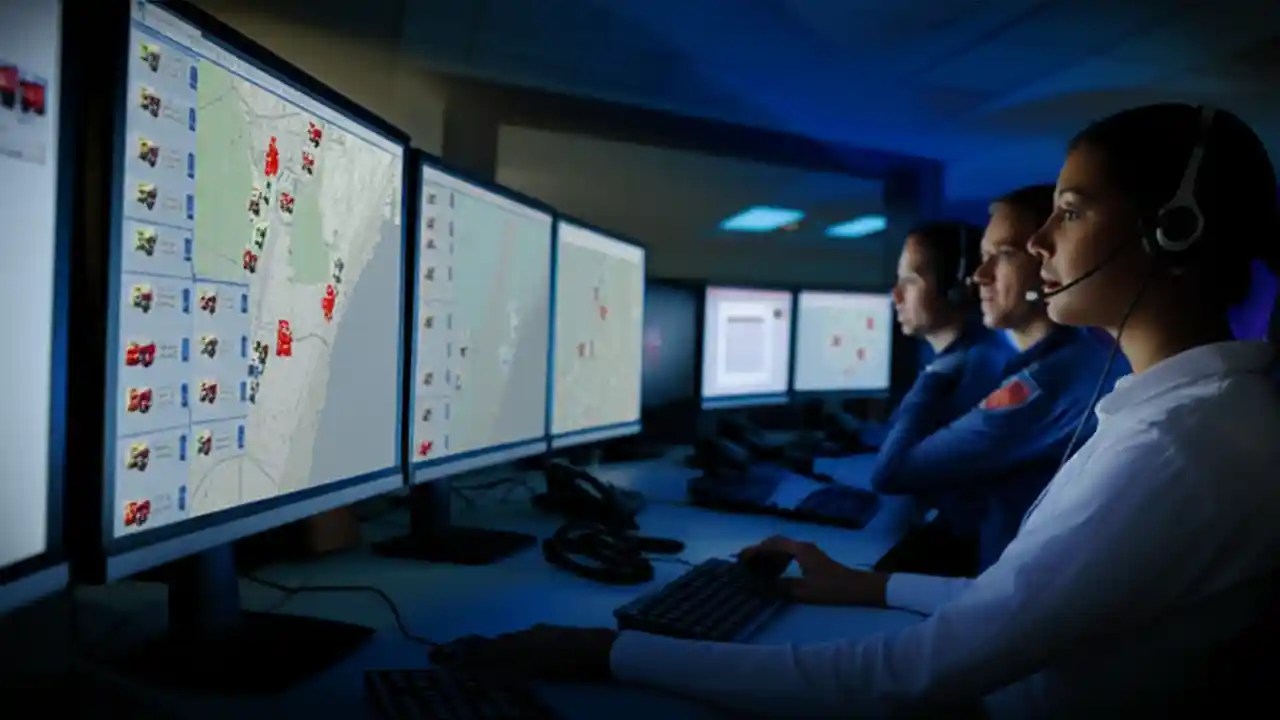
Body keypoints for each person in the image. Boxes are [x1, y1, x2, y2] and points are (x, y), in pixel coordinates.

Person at [429, 102, 1280, 716]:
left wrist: (608, 649)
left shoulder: (1182, 452)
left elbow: (907, 678)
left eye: (1069, 211)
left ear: (1172, 230)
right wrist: (868, 584)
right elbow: (1021, 607)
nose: (1035, 246)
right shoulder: (1183, 418)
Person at [870, 184, 1131, 574]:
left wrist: (936, 372)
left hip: (1008, 599)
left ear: (1048, 261)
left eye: (1003, 255)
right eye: (982, 258)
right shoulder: (1060, 360)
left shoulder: (1044, 382)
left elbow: (892, 471)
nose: (979, 276)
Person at [845, 220, 1015, 452]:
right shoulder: (971, 357)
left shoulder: (968, 372)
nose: (896, 296)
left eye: (911, 281)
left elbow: (890, 470)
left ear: (955, 289)